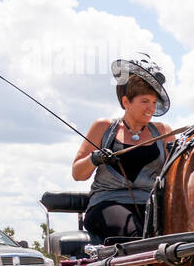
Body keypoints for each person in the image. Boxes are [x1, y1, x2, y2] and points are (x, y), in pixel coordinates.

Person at [72, 56, 173, 244]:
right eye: (145, 101)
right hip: (108, 203)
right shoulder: (103, 127)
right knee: (135, 236)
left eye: (153, 102)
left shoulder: (162, 131)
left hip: (151, 206)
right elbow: (78, 173)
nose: (151, 108)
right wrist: (95, 158)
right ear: (126, 102)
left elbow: (175, 176)